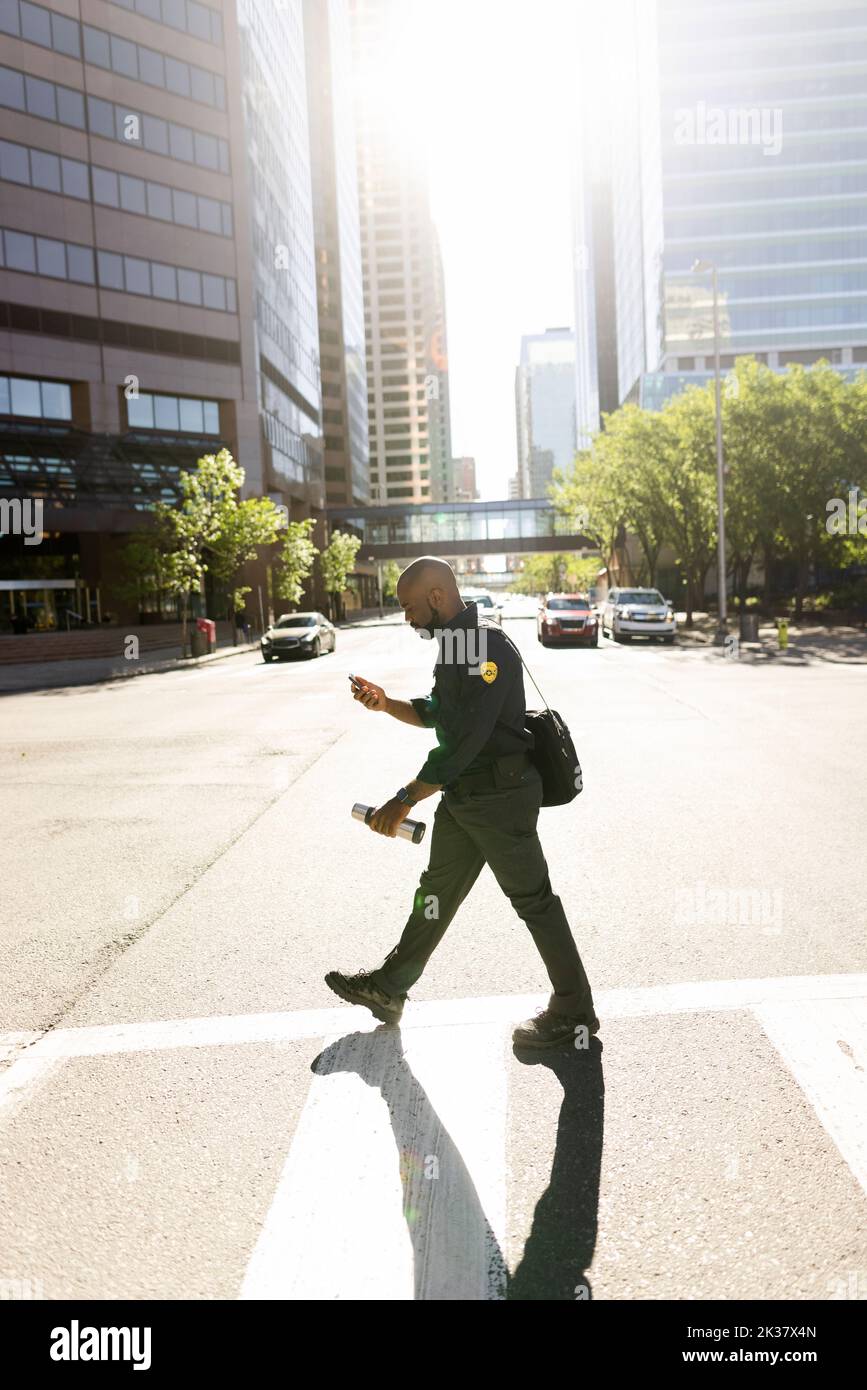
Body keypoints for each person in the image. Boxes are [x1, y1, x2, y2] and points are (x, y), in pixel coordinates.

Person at [325, 556, 599, 1049]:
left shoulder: (480, 645)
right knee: (435, 894)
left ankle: (574, 1010)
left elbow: (465, 740)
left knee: (534, 902)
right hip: (465, 797)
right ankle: (390, 987)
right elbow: (440, 714)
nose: (406, 618)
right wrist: (387, 704)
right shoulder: (457, 643)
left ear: (436, 597)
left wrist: (404, 798)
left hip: (499, 797)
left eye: (409, 607)